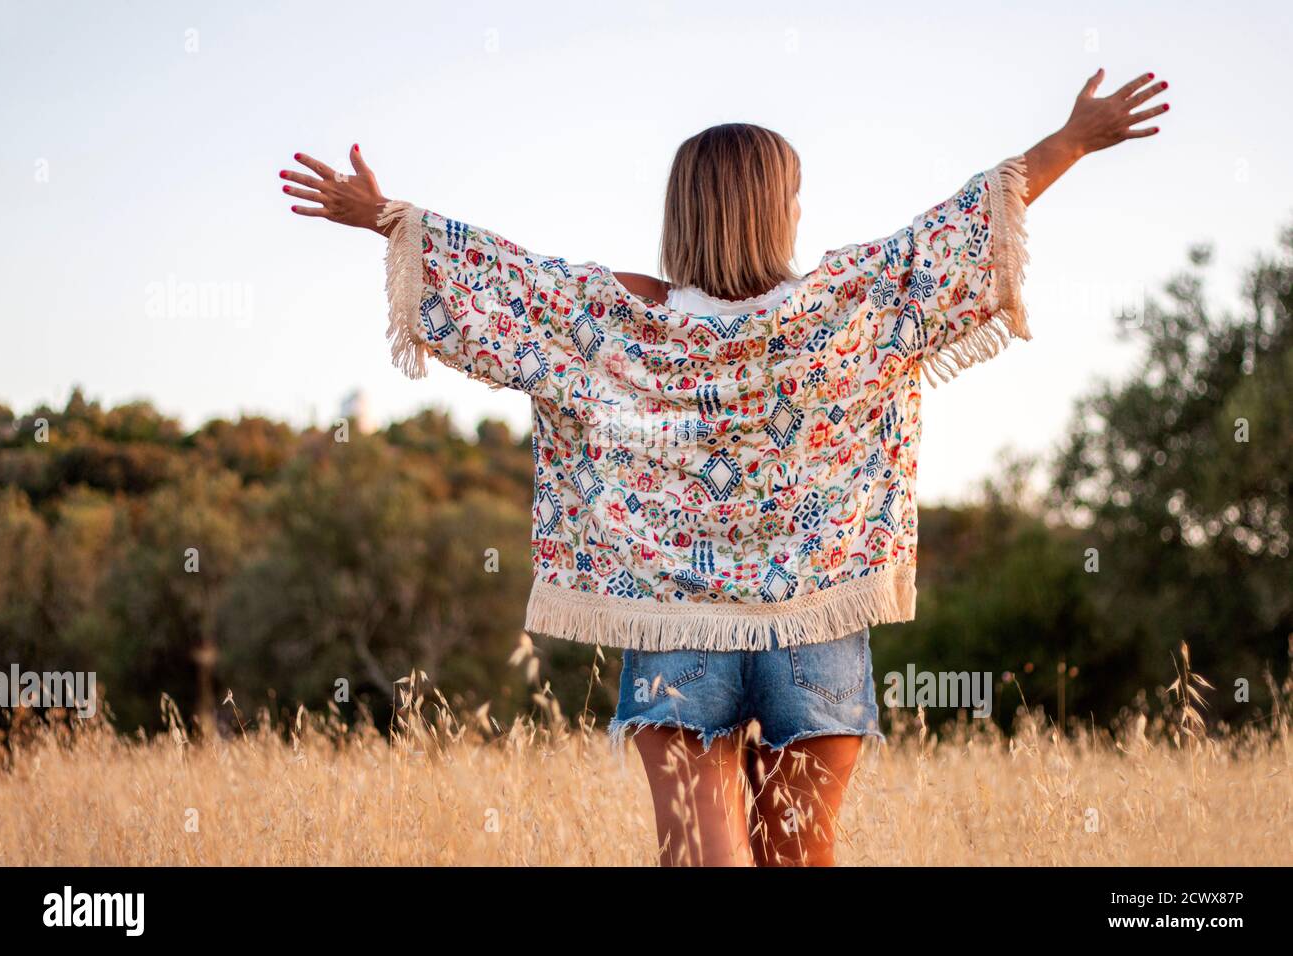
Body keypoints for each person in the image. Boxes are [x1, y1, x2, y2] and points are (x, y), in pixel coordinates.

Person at [279, 68, 1168, 866]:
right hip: (816, 615)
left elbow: (505, 282)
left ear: (684, 212)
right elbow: (955, 240)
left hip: (676, 625)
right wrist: (1073, 141)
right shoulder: (840, 308)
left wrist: (388, 219)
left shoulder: (616, 318)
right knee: (801, 857)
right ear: (777, 209)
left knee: (703, 861)